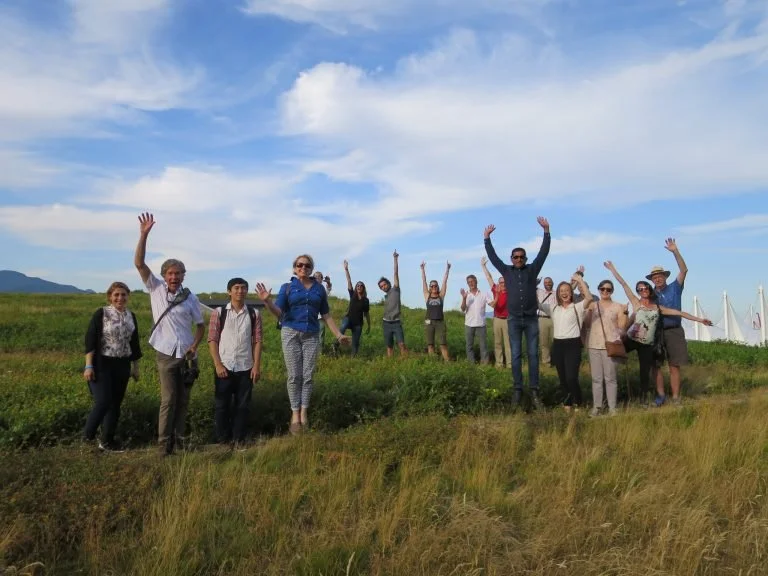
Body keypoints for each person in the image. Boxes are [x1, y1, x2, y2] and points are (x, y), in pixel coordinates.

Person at [134, 213, 205, 456]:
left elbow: (200, 326)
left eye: (178, 273)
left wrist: (194, 346)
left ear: (184, 276)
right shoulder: (155, 288)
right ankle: (163, 445)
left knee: (184, 401)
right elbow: (140, 265)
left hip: (187, 354)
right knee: (168, 400)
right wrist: (144, 235)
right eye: (170, 273)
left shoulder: (190, 298)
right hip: (165, 353)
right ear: (164, 276)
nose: (174, 277)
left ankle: (180, 441)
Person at [256, 255, 350, 434]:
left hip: (311, 335)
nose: (303, 267)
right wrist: (267, 301)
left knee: (308, 375)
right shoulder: (288, 287)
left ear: (311, 268)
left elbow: (326, 315)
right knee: (294, 375)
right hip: (290, 332)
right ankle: (295, 414)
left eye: (307, 265)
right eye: (299, 265)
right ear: (294, 268)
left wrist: (338, 335)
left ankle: (304, 411)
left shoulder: (319, 289)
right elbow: (279, 313)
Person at [603, 261, 712, 406]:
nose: (643, 290)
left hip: (647, 343)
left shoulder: (658, 307)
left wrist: (700, 319)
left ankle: (648, 400)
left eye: (645, 288)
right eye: (640, 289)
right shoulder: (636, 303)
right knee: (613, 354)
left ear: (649, 289)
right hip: (633, 339)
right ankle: (607, 389)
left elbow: (679, 313)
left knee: (647, 371)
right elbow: (623, 284)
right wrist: (612, 269)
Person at [484, 217, 551, 409]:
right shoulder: (507, 271)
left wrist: (546, 232)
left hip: (531, 320)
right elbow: (493, 258)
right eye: (516, 257)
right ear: (512, 259)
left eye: (522, 257)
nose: (519, 259)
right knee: (515, 356)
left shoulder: (532, 269)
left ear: (526, 259)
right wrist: (487, 239)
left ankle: (535, 392)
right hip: (513, 320)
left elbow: (543, 253)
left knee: (532, 355)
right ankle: (517, 391)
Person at [83, 281, 142, 452]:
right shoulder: (101, 313)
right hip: (102, 364)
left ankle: (107, 441)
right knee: (103, 401)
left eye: (123, 294)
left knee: (115, 405)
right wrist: (88, 366)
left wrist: (135, 368)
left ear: (128, 297)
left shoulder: (131, 316)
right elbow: (91, 340)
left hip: (122, 364)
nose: (120, 298)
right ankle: (87, 437)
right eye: (116, 294)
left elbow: (135, 344)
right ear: (110, 296)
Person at [207, 278, 263, 447]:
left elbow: (257, 341)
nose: (240, 291)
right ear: (229, 291)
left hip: (246, 366)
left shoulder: (254, 314)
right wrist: (218, 364)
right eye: (236, 288)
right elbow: (212, 340)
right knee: (221, 406)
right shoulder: (219, 312)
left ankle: (239, 440)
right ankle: (223, 441)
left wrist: (256, 366)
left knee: (243, 406)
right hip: (224, 366)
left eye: (243, 288)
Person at [539, 273, 592, 411]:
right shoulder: (553, 308)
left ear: (571, 292)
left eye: (567, 291)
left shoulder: (577, 307)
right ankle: (567, 404)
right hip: (558, 345)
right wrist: (532, 284)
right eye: (561, 291)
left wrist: (580, 280)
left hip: (573, 345)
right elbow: (536, 303)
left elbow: (589, 298)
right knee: (562, 378)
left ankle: (578, 402)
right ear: (558, 294)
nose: (564, 293)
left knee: (571, 377)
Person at [651, 238, 689, 405]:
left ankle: (675, 398)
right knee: (656, 366)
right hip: (656, 333)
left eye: (660, 276)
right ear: (652, 280)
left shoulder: (675, 287)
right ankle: (660, 396)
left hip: (674, 330)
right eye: (655, 277)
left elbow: (684, 269)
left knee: (674, 365)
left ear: (665, 276)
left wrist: (675, 251)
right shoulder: (649, 295)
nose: (657, 279)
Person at [583, 279, 627, 417]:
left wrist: (625, 313)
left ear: (612, 291)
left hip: (611, 346)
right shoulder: (593, 305)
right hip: (594, 345)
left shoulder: (618, 306)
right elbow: (587, 324)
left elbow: (622, 327)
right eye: (602, 289)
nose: (605, 291)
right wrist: (589, 311)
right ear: (599, 290)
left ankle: (612, 408)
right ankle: (597, 407)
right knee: (596, 379)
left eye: (608, 289)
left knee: (611, 378)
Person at [481, 257, 511, 369]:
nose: (502, 284)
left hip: (508, 319)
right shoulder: (495, 289)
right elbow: (489, 277)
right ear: (499, 283)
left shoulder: (511, 291)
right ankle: (499, 364)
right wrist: (484, 266)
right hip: (497, 319)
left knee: (508, 343)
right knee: (497, 343)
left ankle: (509, 364)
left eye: (504, 282)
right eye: (501, 282)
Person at [378, 250, 407, 357]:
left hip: (396, 322)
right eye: (381, 287)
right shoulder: (386, 296)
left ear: (388, 283)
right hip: (386, 323)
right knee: (389, 346)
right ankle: (390, 365)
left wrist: (395, 259)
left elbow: (395, 273)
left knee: (402, 344)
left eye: (384, 284)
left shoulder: (396, 289)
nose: (383, 287)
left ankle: (405, 363)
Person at [338, 260, 371, 356]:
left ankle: (353, 358)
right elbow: (349, 281)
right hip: (348, 319)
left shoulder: (366, 300)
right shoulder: (352, 295)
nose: (359, 286)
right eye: (358, 285)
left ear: (363, 288)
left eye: (361, 286)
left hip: (358, 324)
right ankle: (335, 345)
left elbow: (367, 313)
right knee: (343, 327)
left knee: (355, 343)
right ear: (356, 288)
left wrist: (369, 325)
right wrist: (346, 269)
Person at [421, 260, 451, 361]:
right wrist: (422, 270)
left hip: (440, 322)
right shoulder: (427, 295)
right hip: (429, 322)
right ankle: (432, 362)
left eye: (435, 285)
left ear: (437, 287)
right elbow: (424, 281)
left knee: (443, 344)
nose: (434, 287)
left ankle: (447, 362)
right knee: (430, 344)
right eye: (432, 286)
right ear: (429, 288)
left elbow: (444, 281)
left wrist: (447, 269)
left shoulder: (441, 296)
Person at [461, 274, 489, 364]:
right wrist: (464, 298)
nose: (471, 283)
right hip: (469, 324)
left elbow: (492, 304)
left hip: (481, 324)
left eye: (472, 281)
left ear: (476, 281)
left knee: (483, 346)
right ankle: (471, 364)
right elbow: (462, 309)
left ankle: (485, 365)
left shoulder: (484, 294)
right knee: (469, 346)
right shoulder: (466, 295)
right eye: (469, 282)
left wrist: (497, 295)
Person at [537, 277, 555, 365]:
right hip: (542, 319)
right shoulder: (539, 292)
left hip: (554, 319)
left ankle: (556, 361)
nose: (547, 283)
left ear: (552, 283)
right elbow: (530, 287)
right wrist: (536, 281)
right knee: (543, 342)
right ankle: (546, 362)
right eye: (545, 282)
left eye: (549, 282)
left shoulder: (556, 293)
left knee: (555, 341)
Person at [312, 271, 332, 352]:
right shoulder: (309, 288)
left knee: (320, 336)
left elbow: (329, 288)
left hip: (320, 317)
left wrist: (328, 282)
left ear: (321, 279)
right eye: (315, 277)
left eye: (319, 276)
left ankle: (320, 354)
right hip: (311, 316)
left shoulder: (322, 290)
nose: (317, 278)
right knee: (311, 336)